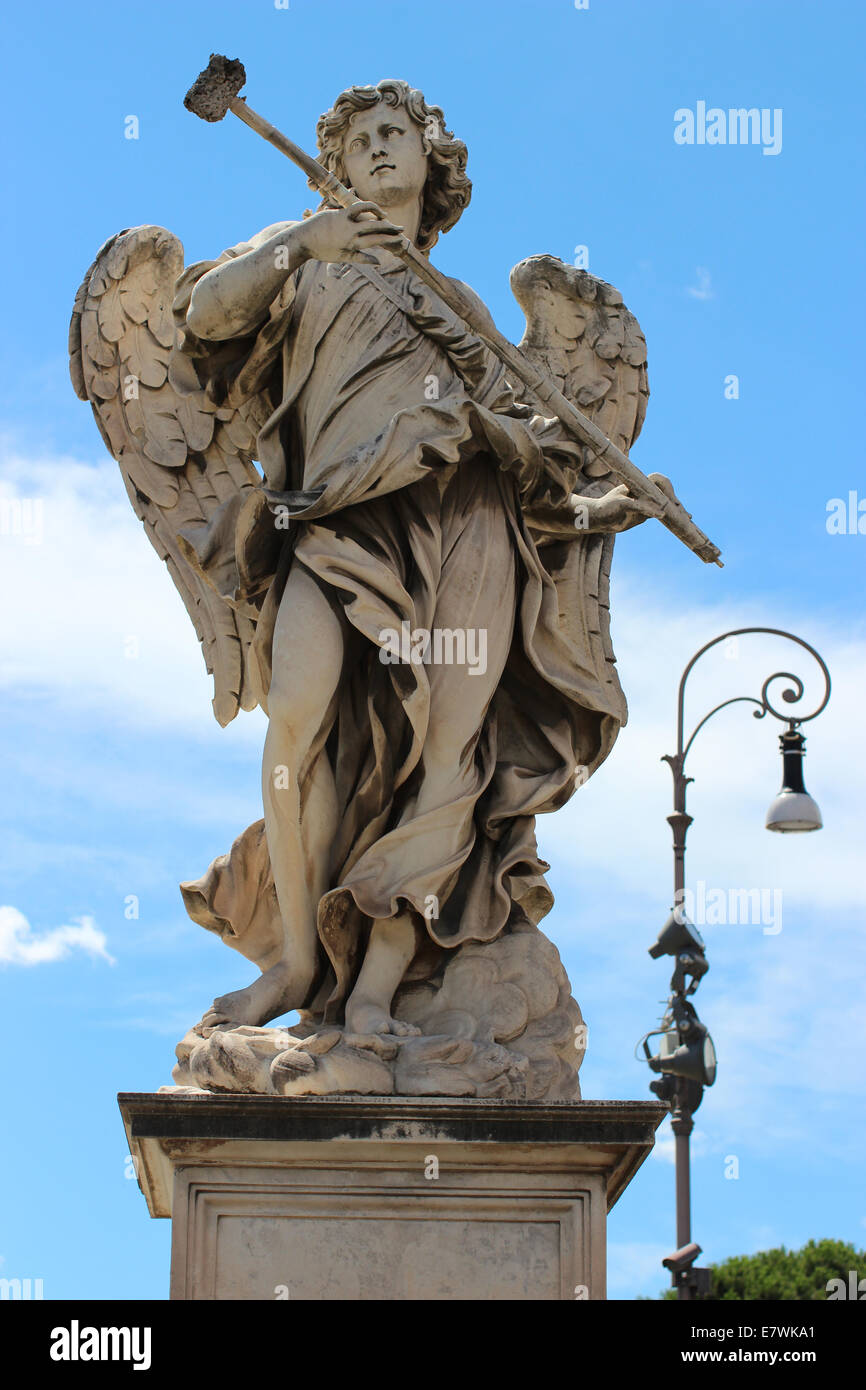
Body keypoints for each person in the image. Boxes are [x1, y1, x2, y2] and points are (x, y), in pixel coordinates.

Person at [179, 80, 662, 1036]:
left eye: (397, 135)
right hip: (335, 523)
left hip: (464, 523)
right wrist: (300, 242)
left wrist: (602, 503)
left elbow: (533, 449)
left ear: (430, 161)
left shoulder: (462, 303)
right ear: (337, 162)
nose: (380, 150)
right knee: (302, 716)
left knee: (446, 753)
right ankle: (299, 963)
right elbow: (203, 315)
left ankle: (378, 983)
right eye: (361, 141)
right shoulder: (305, 258)